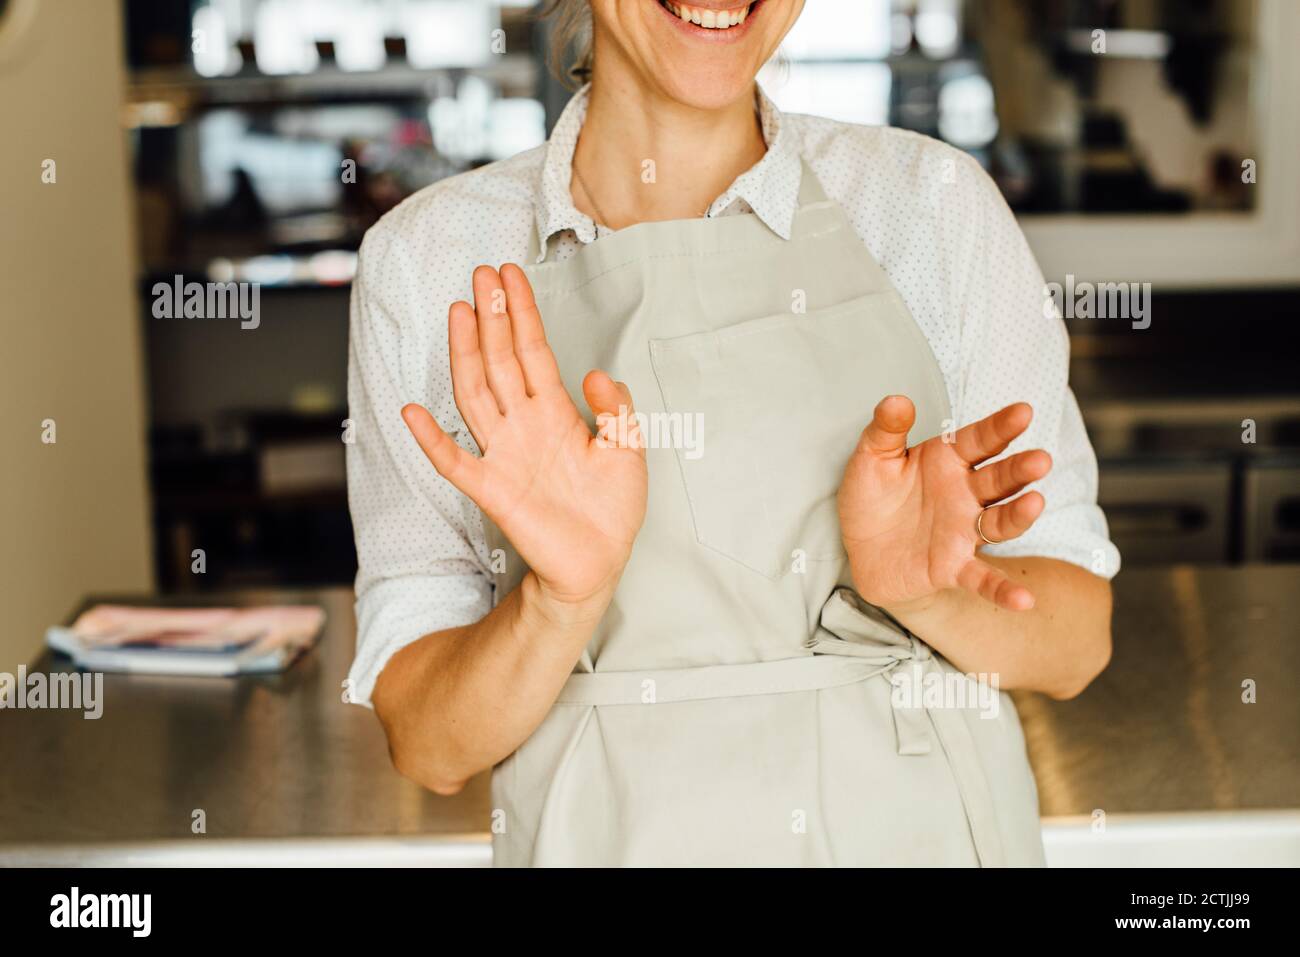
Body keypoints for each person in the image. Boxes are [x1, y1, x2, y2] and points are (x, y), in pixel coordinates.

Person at [345, 0, 1118, 866]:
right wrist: (554, 603)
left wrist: (925, 595)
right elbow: (428, 744)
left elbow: (1076, 644)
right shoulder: (427, 263)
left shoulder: (931, 208)